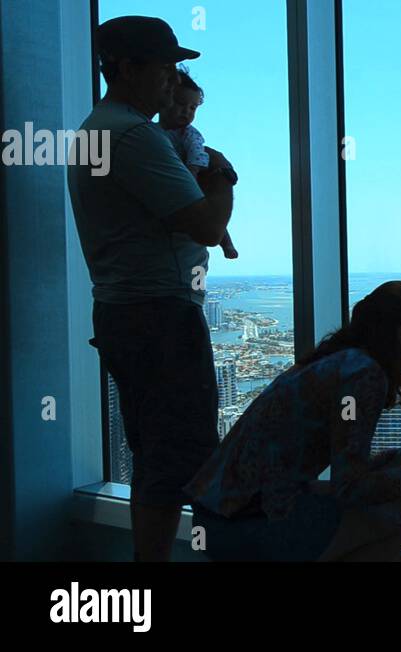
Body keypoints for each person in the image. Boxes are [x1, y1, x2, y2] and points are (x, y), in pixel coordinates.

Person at [67, 15, 238, 562]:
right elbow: (207, 227)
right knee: (183, 456)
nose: (171, 78)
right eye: (163, 67)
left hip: (124, 312)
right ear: (126, 67)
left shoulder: (95, 130)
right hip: (160, 314)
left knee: (153, 453)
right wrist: (224, 181)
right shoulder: (132, 135)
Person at [184, 282, 401, 561]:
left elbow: (348, 471)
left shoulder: (339, 360)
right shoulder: (364, 374)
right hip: (241, 522)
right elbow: (352, 487)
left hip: (220, 514)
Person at [157, 65, 239, 259]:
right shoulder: (155, 133)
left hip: (193, 177)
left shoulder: (189, 133)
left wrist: (192, 171)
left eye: (192, 108)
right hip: (181, 179)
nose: (186, 112)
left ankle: (227, 245)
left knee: (212, 217)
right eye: (180, 104)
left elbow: (198, 151)